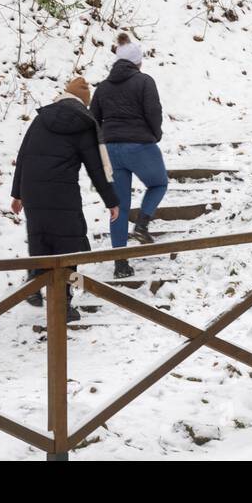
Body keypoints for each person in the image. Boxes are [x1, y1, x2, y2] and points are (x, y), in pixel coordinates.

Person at [11, 76, 119, 320]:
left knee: (41, 240)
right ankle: (63, 306)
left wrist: (17, 193)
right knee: (69, 247)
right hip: (62, 194)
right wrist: (111, 200)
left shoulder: (41, 118)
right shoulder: (83, 123)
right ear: (84, 102)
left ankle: (35, 282)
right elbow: (96, 167)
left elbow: (24, 154)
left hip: (33, 192)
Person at [90, 33, 167, 279]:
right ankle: (142, 224)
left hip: (111, 150)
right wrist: (155, 135)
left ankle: (120, 263)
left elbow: (93, 119)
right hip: (140, 146)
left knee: (118, 207)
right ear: (137, 62)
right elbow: (154, 112)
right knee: (159, 183)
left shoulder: (102, 87)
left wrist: (103, 144)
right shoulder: (144, 81)